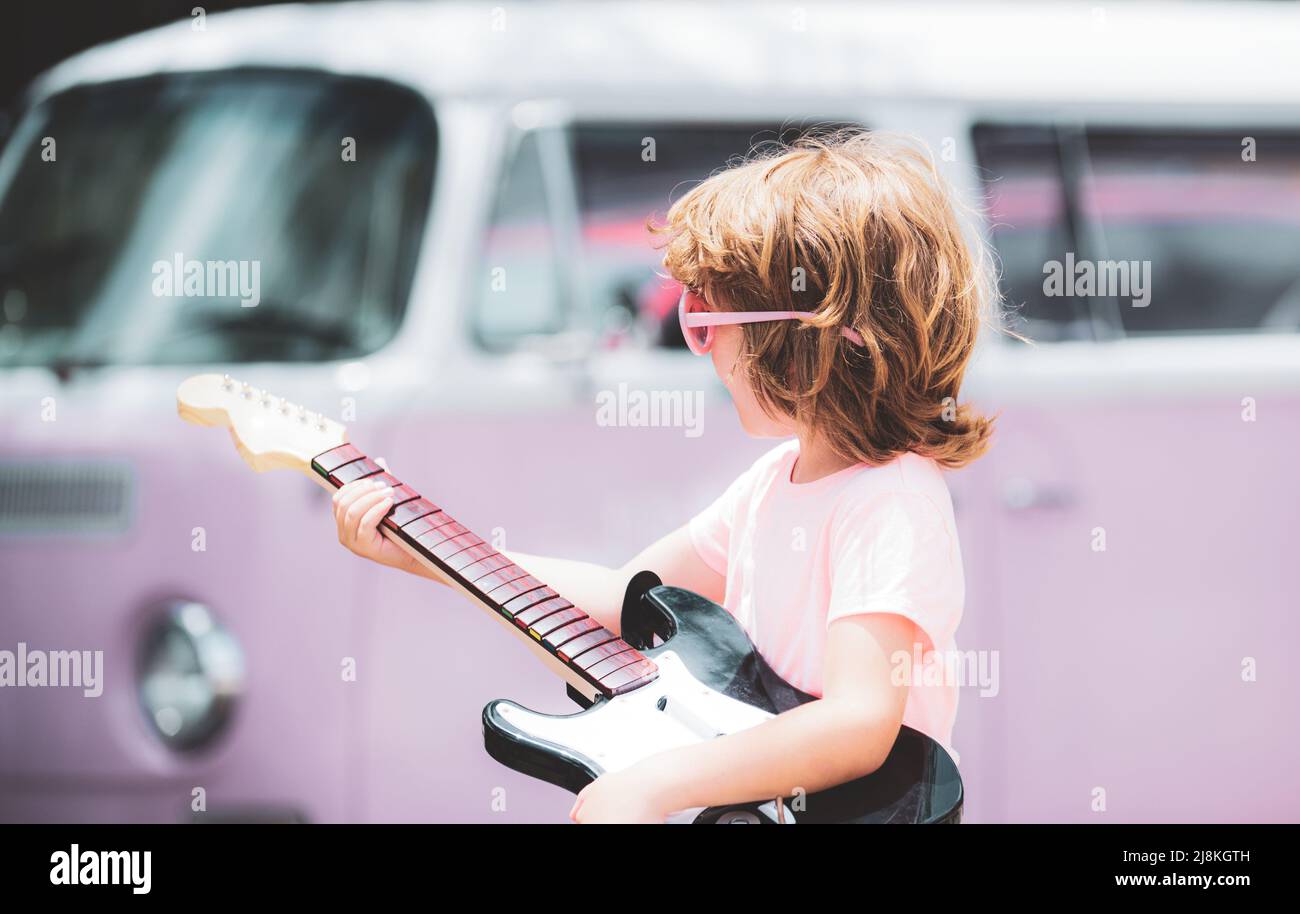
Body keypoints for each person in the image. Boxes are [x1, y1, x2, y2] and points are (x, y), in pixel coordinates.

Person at [331, 129, 995, 823]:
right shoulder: (773, 483)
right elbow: (628, 601)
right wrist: (425, 549)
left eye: (706, 321)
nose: (699, 350)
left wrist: (659, 784)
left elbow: (858, 725)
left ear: (801, 347)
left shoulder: (890, 501)